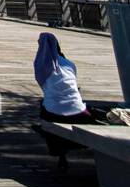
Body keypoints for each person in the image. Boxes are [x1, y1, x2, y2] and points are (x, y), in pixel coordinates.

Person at [33, 32, 107, 162]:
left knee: (45, 105)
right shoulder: (69, 64)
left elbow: (44, 87)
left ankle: (59, 151)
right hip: (79, 112)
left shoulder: (41, 65)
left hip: (53, 113)